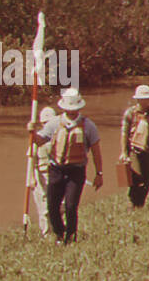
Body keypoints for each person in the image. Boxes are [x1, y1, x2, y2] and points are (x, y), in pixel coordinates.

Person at [30, 88, 103, 244]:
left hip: (76, 171)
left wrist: (99, 174)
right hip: (56, 169)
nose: (71, 112)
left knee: (70, 206)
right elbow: (39, 140)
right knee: (52, 206)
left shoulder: (88, 126)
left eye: (74, 109)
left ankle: (70, 237)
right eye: (69, 109)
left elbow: (96, 151)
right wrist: (31, 132)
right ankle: (59, 233)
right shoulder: (54, 123)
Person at [119, 85, 149, 208]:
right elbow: (124, 133)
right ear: (137, 99)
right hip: (134, 150)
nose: (145, 101)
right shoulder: (130, 113)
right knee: (137, 178)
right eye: (142, 98)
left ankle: (140, 205)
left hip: (147, 151)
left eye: (147, 98)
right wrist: (124, 152)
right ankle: (132, 202)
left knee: (146, 181)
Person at [29, 106, 57, 236]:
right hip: (40, 174)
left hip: (56, 173)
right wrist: (31, 178)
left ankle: (60, 229)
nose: (48, 125)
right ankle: (46, 233)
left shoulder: (59, 135)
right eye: (45, 123)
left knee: (60, 204)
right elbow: (31, 159)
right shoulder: (37, 138)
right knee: (43, 207)